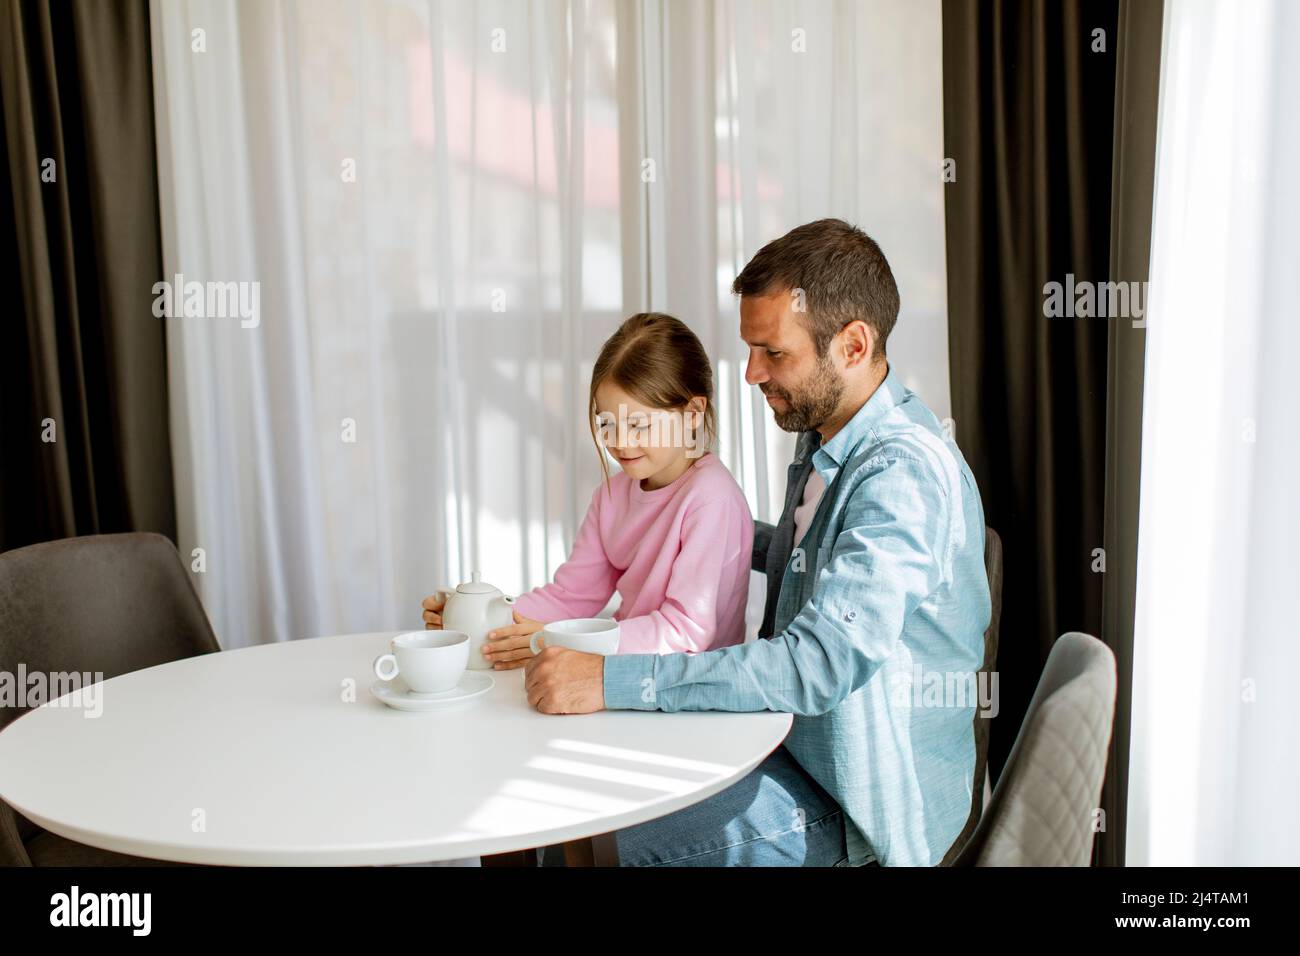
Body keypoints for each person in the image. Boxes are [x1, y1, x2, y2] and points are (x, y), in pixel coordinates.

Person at [521, 219, 992, 867]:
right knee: (571, 796)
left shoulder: (902, 475)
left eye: (774, 353)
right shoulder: (828, 435)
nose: (750, 374)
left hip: (865, 798)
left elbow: (812, 666)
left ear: (853, 345)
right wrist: (709, 531)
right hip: (795, 745)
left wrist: (612, 678)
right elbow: (808, 556)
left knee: (613, 831)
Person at [422, 311, 754, 664]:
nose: (620, 442)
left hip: (692, 693)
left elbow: (685, 631)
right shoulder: (612, 495)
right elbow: (572, 596)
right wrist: (475, 617)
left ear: (692, 414)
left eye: (638, 425)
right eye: (607, 423)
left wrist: (560, 639)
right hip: (626, 675)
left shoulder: (711, 499)